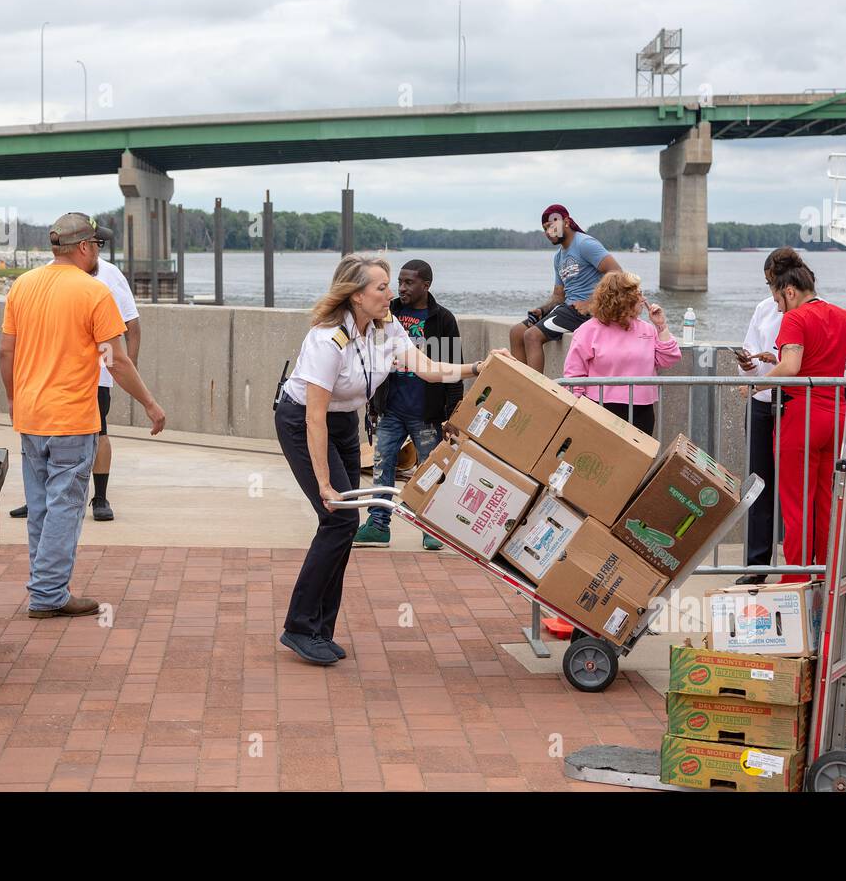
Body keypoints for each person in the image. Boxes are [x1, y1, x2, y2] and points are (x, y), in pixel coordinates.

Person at [275, 253, 500, 665]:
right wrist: (324, 484)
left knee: (343, 523)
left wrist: (475, 368)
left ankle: (320, 630)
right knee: (339, 517)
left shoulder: (385, 328)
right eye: (381, 287)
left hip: (343, 422)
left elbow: (428, 368)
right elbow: (312, 417)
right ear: (357, 295)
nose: (390, 292)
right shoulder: (328, 339)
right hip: (304, 421)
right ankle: (299, 626)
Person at [0, 213, 166, 618]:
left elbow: (7, 352)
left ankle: (44, 584)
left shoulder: (22, 286)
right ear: (85, 247)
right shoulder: (93, 293)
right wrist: (149, 403)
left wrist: (14, 399)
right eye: (98, 246)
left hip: (32, 416)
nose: (99, 254)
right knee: (65, 508)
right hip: (72, 418)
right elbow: (117, 361)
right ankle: (48, 593)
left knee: (39, 506)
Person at [760, 249, 846, 581]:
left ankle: (795, 581)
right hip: (837, 418)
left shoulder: (794, 318)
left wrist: (754, 385)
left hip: (801, 417)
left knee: (797, 507)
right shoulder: (843, 315)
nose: (779, 308)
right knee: (826, 503)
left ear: (790, 291)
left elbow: (792, 366)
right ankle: (827, 575)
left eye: (779, 301)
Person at [8, 254, 140, 522]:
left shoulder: (109, 275)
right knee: (41, 436)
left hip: (93, 376)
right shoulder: (44, 274)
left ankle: (100, 497)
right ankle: (38, 500)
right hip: (45, 376)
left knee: (99, 431)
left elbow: (131, 324)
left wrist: (126, 367)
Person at [354, 259, 462, 551]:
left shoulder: (441, 319)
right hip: (392, 410)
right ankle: (378, 526)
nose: (401, 288)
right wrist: (374, 405)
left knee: (429, 470)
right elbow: (374, 359)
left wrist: (453, 415)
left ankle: (431, 529)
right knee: (382, 465)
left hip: (426, 414)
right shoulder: (390, 315)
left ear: (426, 286)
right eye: (398, 282)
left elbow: (450, 370)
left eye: (408, 283)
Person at [561, 271, 679, 436]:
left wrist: (661, 326)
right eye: (638, 293)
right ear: (623, 298)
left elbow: (668, 358)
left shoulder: (647, 329)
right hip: (600, 408)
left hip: (642, 410)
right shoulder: (588, 330)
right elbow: (573, 375)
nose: (643, 299)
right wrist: (579, 411)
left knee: (638, 461)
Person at [509, 204, 622, 374]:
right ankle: (520, 387)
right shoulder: (559, 257)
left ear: (566, 222)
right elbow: (558, 296)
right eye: (545, 228)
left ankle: (534, 394)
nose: (548, 232)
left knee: (532, 336)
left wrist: (590, 302)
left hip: (587, 312)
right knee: (516, 332)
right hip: (568, 309)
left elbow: (617, 273)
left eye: (552, 225)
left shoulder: (585, 243)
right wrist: (542, 310)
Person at [734, 250, 788, 584]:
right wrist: (748, 364)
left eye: (773, 283)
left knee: (796, 487)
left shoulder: (809, 309)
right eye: (767, 283)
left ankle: (799, 562)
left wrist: (777, 358)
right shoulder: (764, 309)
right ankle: (757, 565)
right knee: (759, 484)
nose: (770, 290)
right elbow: (752, 353)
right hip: (762, 402)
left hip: (793, 404)